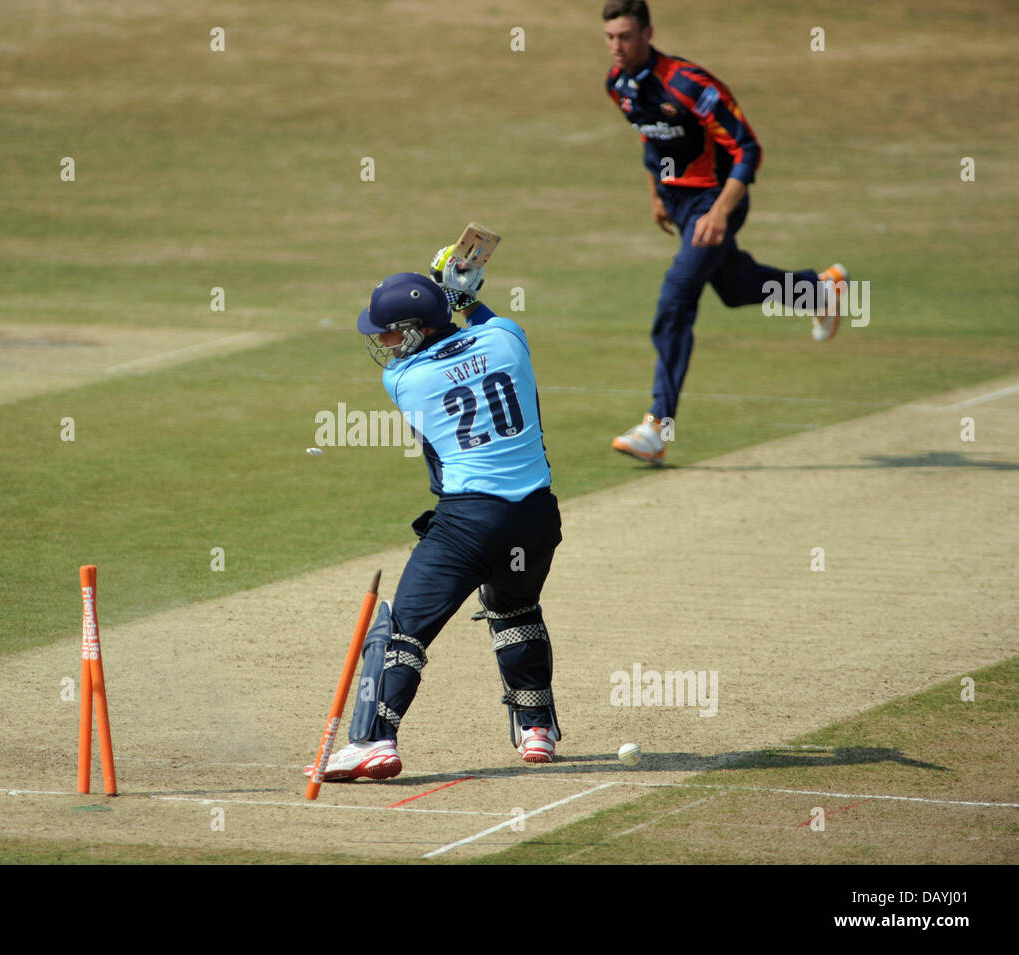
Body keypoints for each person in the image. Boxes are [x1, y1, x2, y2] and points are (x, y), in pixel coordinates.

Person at [307, 259, 564, 781]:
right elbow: (485, 326)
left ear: (415, 330)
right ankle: (537, 728)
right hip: (537, 519)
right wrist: (463, 294)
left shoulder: (403, 379)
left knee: (401, 630)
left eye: (389, 332)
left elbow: (443, 356)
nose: (383, 341)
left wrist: (450, 300)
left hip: (469, 523)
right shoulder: (509, 339)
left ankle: (373, 742)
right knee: (514, 608)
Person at [601, 0, 849, 465]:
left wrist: (717, 212)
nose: (618, 45)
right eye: (611, 37)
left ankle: (657, 426)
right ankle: (818, 292)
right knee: (733, 288)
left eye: (626, 36)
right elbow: (650, 136)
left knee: (675, 301)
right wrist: (657, 193)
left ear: (648, 32)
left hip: (715, 200)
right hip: (680, 204)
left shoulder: (689, 83)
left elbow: (747, 148)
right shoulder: (618, 85)